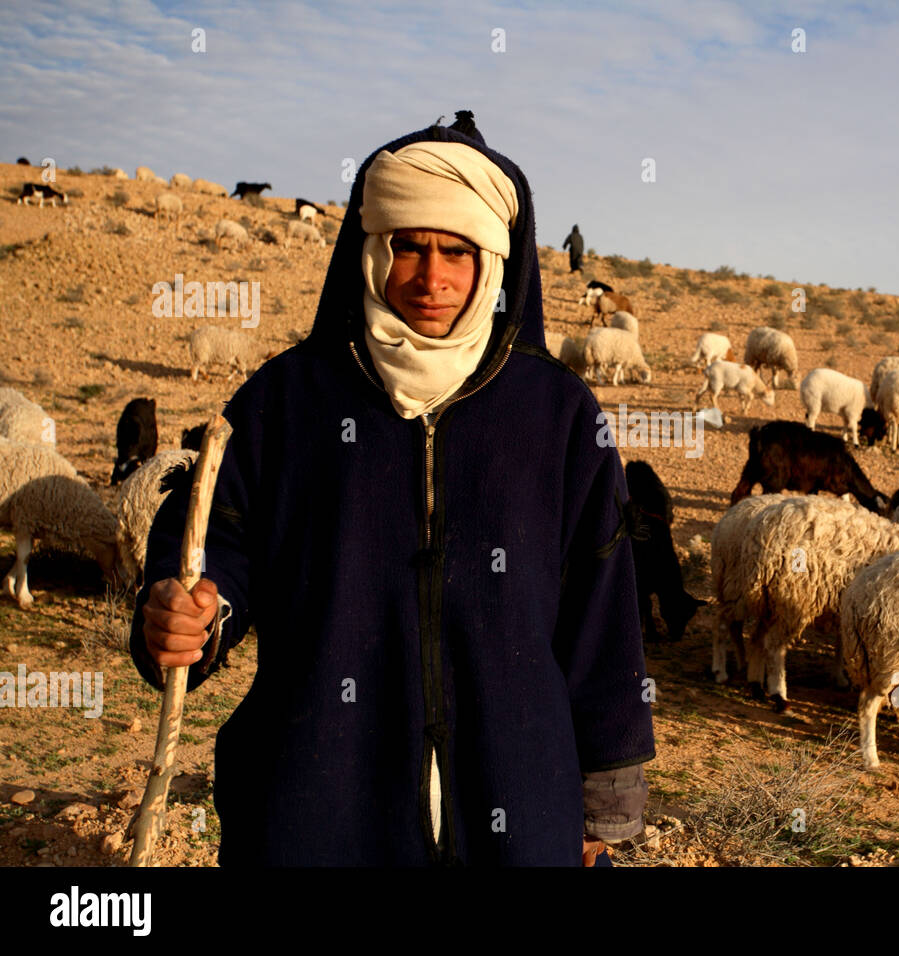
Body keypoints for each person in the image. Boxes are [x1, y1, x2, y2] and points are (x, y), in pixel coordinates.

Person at [130, 114, 655, 866]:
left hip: (517, 794)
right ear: (372, 250)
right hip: (320, 798)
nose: (431, 278)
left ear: (495, 264)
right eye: (408, 246)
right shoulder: (290, 401)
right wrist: (191, 611)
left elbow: (602, 610)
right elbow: (215, 544)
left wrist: (602, 807)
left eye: (457, 252)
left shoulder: (556, 413)